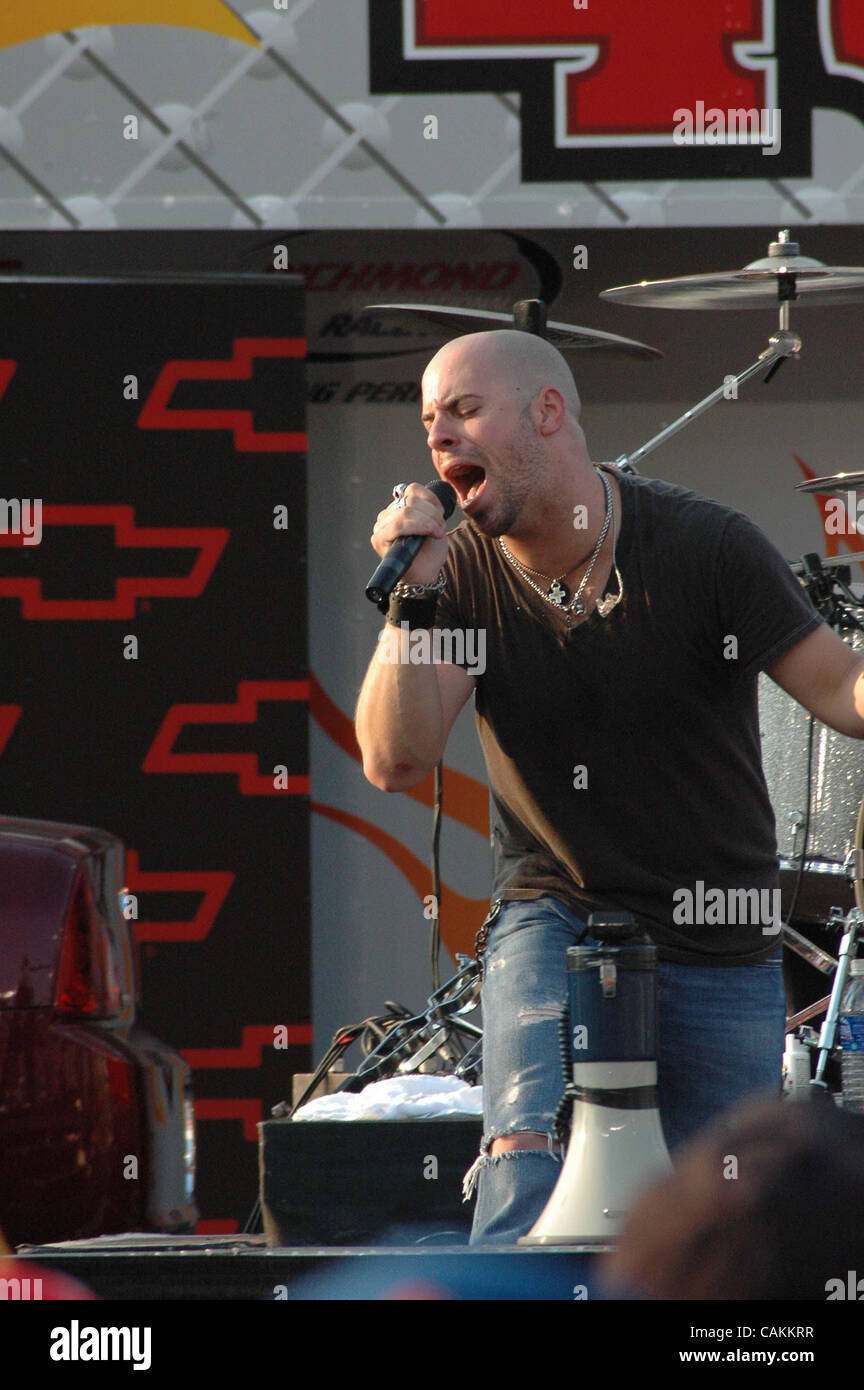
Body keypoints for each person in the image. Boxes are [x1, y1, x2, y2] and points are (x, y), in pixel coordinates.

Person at [354, 328, 864, 1244]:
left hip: (717, 924)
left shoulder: (703, 546)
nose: (440, 439)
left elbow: (840, 688)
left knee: (726, 1217)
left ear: (547, 412)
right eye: (430, 422)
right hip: (555, 905)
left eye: (465, 411)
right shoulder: (461, 571)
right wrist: (413, 597)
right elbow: (396, 759)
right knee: (526, 1154)